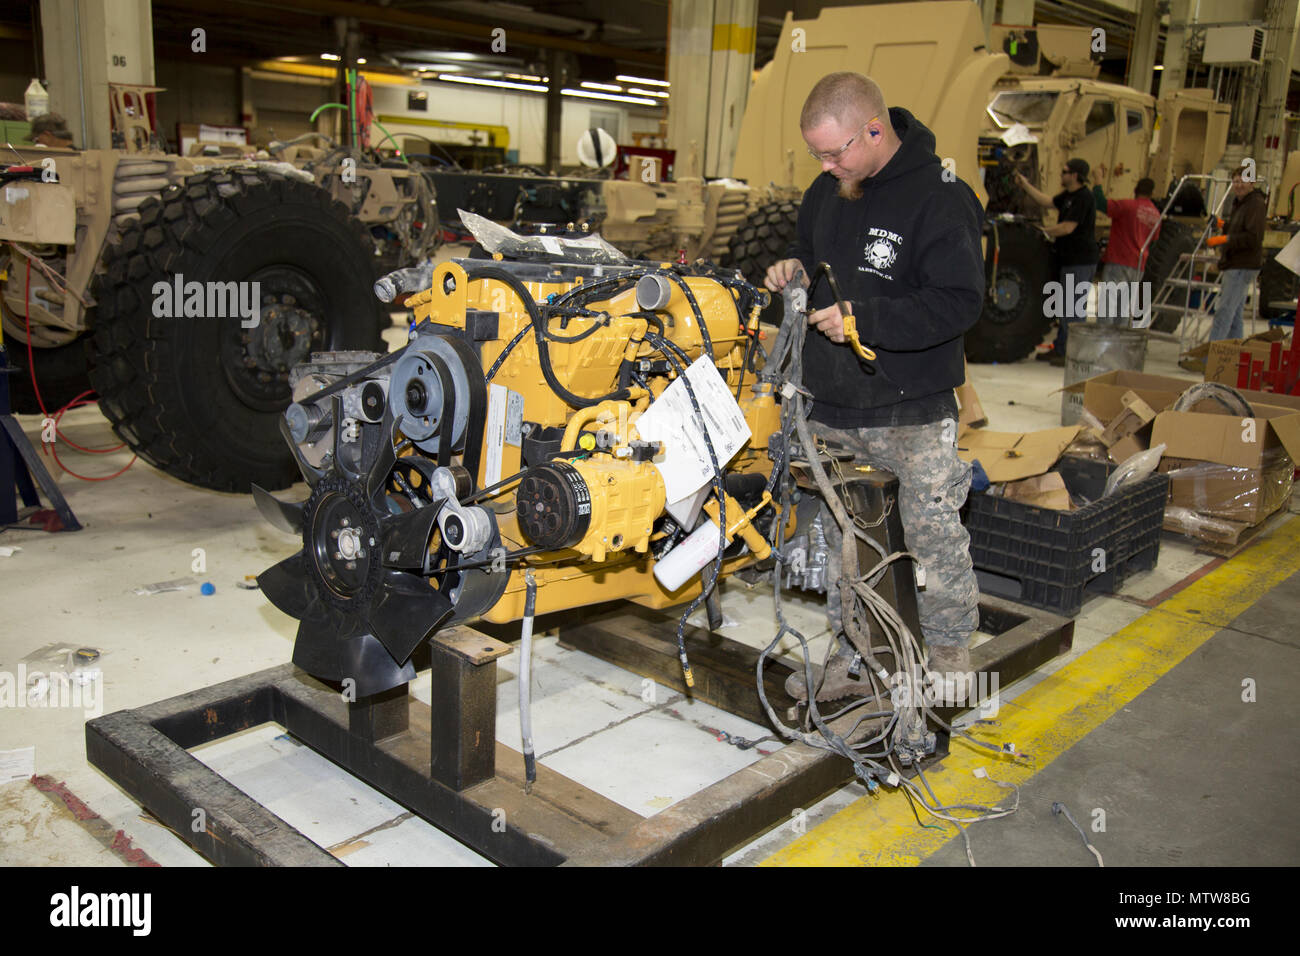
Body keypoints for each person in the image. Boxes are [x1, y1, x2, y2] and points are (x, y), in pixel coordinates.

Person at [764, 72, 983, 702]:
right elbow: (812, 254)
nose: (828, 167)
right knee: (843, 538)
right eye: (818, 156)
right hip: (832, 405)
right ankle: (855, 653)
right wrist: (791, 268)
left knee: (932, 533)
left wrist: (868, 320)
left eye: (836, 153)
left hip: (909, 407)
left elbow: (960, 301)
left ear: (876, 129)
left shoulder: (941, 198)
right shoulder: (827, 191)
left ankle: (948, 654)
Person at [1015, 158, 1098, 365]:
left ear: (1075, 176)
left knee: (1073, 308)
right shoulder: (1069, 196)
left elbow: (1067, 227)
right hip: (1069, 260)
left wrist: (1042, 232)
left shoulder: (1083, 198)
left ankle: (1071, 355)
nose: (1061, 175)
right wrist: (1025, 185)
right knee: (1065, 307)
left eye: (1065, 171)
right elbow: (1047, 201)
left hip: (1080, 260)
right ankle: (1061, 348)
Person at [1207, 166, 1267, 341]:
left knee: (1224, 312)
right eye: (1236, 181)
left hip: (1242, 265)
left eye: (1243, 181)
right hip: (1237, 263)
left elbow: (1252, 237)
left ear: (1252, 183)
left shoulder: (1255, 204)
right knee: (1234, 316)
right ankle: (1234, 356)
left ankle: (1212, 356)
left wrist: (1225, 240)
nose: (1239, 185)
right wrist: (1220, 224)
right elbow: (1238, 228)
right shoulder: (1240, 203)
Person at [1091, 177, 1161, 327]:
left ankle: (1103, 343)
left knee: (1107, 307)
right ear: (1151, 193)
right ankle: (1119, 344)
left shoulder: (1127, 206)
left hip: (1119, 261)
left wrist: (1097, 181)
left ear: (1136, 190)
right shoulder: (1156, 215)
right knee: (1123, 309)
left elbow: (1101, 203)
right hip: (1138, 265)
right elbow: (1154, 240)